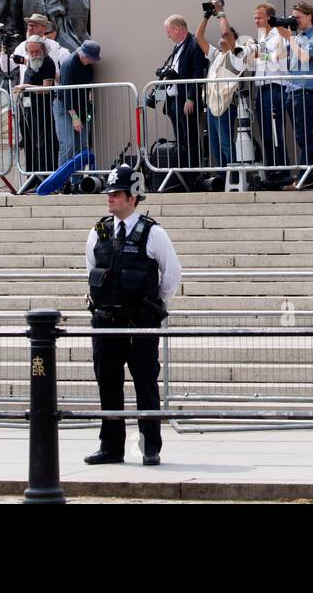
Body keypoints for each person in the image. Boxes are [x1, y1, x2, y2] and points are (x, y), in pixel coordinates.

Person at [83, 165, 181, 467]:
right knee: (108, 384)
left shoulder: (154, 233)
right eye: (109, 193)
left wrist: (152, 305)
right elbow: (91, 271)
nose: (110, 198)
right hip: (107, 322)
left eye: (116, 194)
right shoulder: (98, 231)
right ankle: (111, 446)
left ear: (132, 197)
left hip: (140, 321)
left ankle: (150, 446)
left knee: (145, 383)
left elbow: (171, 277)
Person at [195, 1, 244, 169]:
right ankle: (225, 178)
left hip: (226, 105)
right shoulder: (216, 54)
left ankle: (235, 176)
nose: (221, 39)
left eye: (226, 39)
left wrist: (221, 13)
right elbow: (198, 37)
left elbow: (226, 33)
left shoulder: (235, 56)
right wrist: (207, 16)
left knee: (226, 143)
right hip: (212, 104)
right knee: (215, 145)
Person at [283, 1, 313, 186]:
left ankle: (307, 176)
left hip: (305, 90)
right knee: (300, 136)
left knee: (304, 135)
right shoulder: (298, 37)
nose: (295, 21)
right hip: (292, 89)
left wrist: (289, 38)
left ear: (310, 16)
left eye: (298, 18)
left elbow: (306, 57)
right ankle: (306, 175)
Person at [159, 15, 208, 170]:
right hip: (174, 101)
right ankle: (184, 171)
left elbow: (198, 74)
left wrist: (191, 98)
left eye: (168, 31)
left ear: (176, 29)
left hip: (186, 100)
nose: (167, 35)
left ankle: (194, 172)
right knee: (180, 140)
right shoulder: (178, 47)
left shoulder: (194, 44)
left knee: (190, 138)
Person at [250, 3, 290, 186]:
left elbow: (277, 60)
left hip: (275, 87)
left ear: (269, 18)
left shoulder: (278, 36)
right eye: (255, 16)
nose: (256, 20)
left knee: (275, 131)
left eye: (259, 17)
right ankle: (271, 170)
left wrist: (259, 55)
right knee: (266, 132)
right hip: (262, 88)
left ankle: (281, 170)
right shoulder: (261, 37)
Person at [13, 36, 58, 192]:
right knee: (30, 145)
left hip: (43, 111)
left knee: (43, 144)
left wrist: (26, 86)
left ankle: (45, 180)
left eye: (37, 51)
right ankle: (31, 180)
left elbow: (46, 89)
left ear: (43, 50)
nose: (34, 54)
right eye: (31, 51)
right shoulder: (30, 63)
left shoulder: (47, 62)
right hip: (27, 110)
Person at [55, 40, 101, 171]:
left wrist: (86, 113)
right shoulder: (69, 64)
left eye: (91, 58)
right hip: (64, 106)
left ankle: (77, 180)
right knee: (68, 144)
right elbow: (66, 93)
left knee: (81, 144)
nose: (89, 60)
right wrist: (75, 118)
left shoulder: (88, 67)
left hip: (81, 106)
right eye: (87, 57)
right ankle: (62, 180)